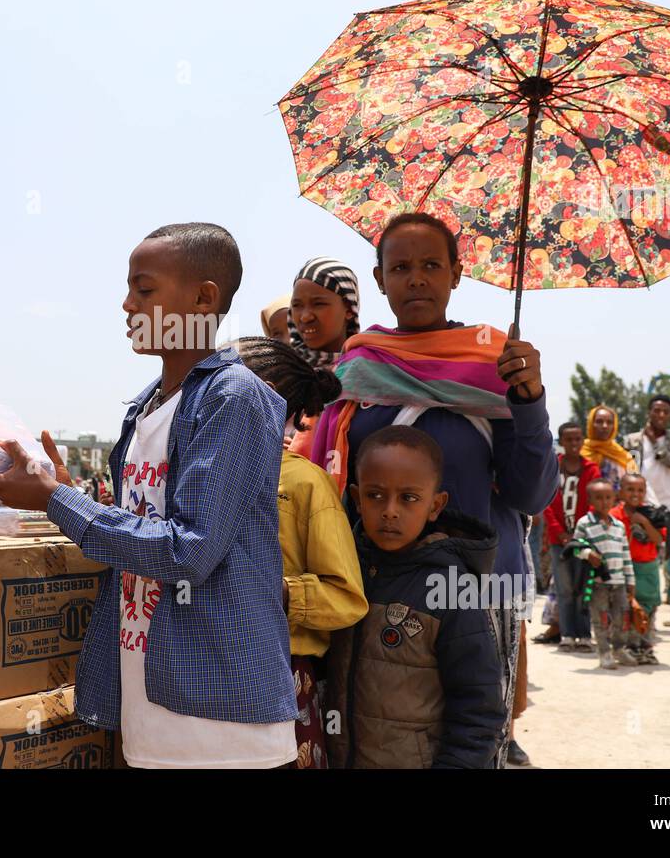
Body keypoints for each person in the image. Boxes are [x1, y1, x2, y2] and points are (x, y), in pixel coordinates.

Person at [0, 222, 299, 766]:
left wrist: (58, 500)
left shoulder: (235, 398)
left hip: (221, 723)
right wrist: (66, 492)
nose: (127, 304)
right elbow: (141, 529)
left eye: (144, 289)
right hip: (148, 706)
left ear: (203, 298)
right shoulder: (145, 406)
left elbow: (188, 550)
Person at [310, 211, 555, 768]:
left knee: (468, 739)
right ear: (379, 280)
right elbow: (333, 483)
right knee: (371, 738)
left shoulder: (497, 361)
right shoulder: (358, 363)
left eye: (430, 265)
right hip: (371, 590)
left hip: (471, 596)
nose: (415, 278)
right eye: (400, 267)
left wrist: (529, 398)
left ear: (456, 274)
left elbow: (531, 493)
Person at [325, 425, 505, 768]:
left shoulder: (453, 591)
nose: (390, 510)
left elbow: (479, 713)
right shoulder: (340, 569)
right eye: (375, 495)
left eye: (408, 498)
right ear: (357, 498)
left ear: (435, 505)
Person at [232, 336, 369, 769]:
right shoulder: (192, 472)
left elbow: (346, 597)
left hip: (282, 672)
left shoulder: (306, 485)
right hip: (204, 663)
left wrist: (281, 592)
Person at [623, 396, 670, 634]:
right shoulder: (633, 439)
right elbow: (630, 469)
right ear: (649, 412)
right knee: (639, 563)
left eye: (665, 412)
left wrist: (655, 442)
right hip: (644, 507)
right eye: (657, 411)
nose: (661, 415)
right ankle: (636, 613)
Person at [286, 258, 359, 457]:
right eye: (297, 305)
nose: (305, 316)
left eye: (319, 304)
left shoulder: (365, 371)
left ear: (349, 310)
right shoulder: (282, 373)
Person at [565, 480, 637, 670]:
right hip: (597, 583)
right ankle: (604, 652)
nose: (604, 502)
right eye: (599, 498)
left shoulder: (619, 526)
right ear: (590, 500)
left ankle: (619, 649)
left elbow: (625, 554)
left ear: (614, 499)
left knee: (622, 617)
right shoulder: (584, 523)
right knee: (601, 618)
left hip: (619, 581)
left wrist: (631, 580)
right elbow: (574, 548)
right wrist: (588, 554)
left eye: (608, 497)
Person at [543, 421, 601, 651]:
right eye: (569, 439)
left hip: (584, 540)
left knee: (582, 587)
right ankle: (567, 634)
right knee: (565, 588)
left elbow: (595, 502)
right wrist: (561, 534)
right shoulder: (552, 468)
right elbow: (546, 503)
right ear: (562, 442)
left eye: (578, 439)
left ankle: (584, 634)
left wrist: (578, 535)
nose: (574, 444)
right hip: (560, 542)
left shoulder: (591, 469)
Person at [612, 473, 664, 664]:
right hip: (625, 567)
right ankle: (628, 647)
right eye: (630, 489)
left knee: (648, 608)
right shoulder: (614, 515)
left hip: (648, 569)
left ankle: (646, 647)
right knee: (626, 609)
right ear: (621, 491)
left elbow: (659, 539)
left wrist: (643, 522)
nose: (636, 494)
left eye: (640, 490)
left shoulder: (653, 514)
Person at [582, 405, 638, 489]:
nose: (605, 426)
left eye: (609, 422)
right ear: (591, 423)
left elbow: (635, 484)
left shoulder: (623, 455)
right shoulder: (579, 450)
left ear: (614, 426)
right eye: (599, 421)